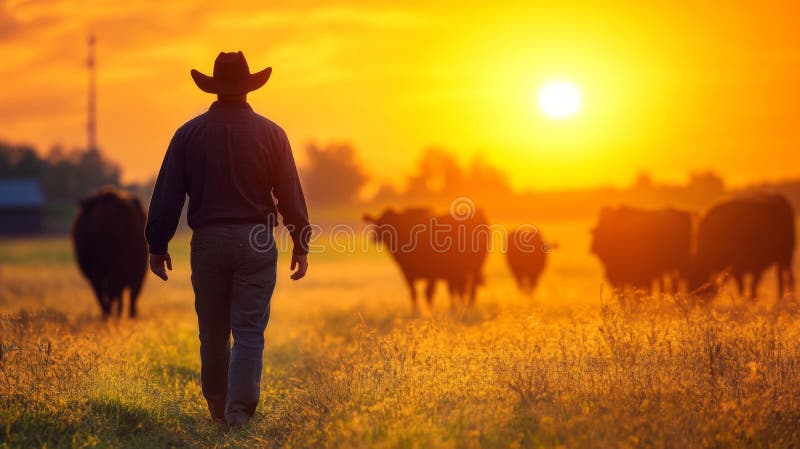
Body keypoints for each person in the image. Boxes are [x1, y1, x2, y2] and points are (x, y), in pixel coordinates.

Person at [145, 51, 310, 428]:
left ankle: (218, 408)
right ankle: (239, 413)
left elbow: (168, 193)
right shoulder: (272, 133)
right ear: (249, 86)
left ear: (214, 88)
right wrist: (301, 242)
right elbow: (290, 194)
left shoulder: (188, 134)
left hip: (209, 241)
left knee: (213, 331)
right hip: (256, 240)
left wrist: (157, 245)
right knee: (249, 330)